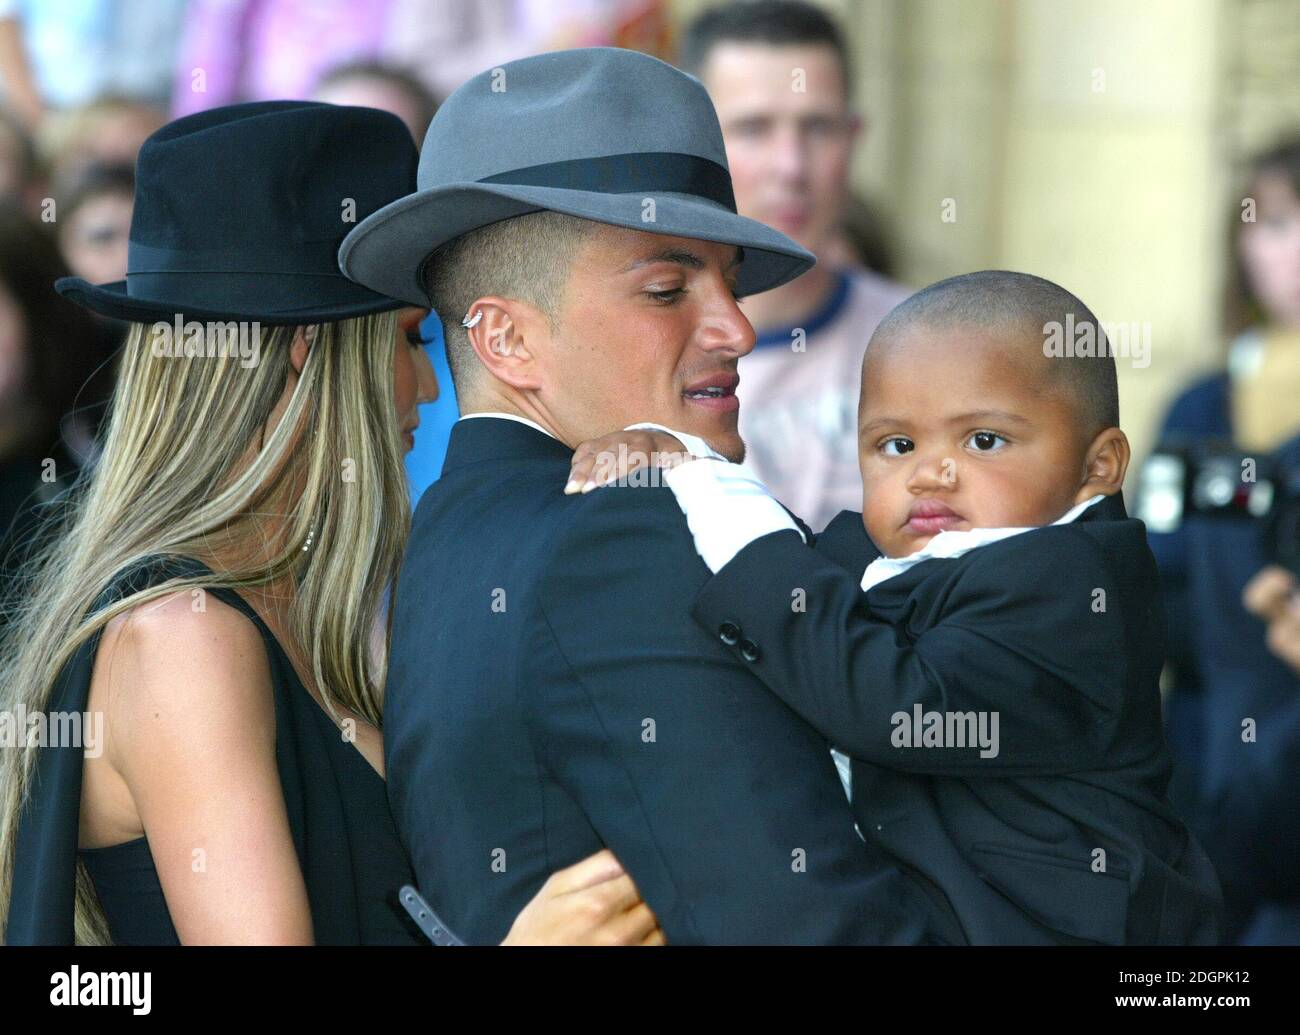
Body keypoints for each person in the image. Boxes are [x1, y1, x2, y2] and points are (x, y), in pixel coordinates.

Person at [0, 100, 660, 947]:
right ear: (315, 354)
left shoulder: (297, 615)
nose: (427, 386)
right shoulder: (185, 636)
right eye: (411, 341)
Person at [339, 46, 933, 946]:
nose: (735, 327)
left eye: (728, 279)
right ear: (505, 339)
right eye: (666, 288)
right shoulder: (620, 536)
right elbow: (819, 929)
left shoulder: (453, 535)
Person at [573, 271, 1224, 944]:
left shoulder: (1078, 590)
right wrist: (684, 461)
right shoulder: (915, 554)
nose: (929, 472)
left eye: (984, 440)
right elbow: (794, 576)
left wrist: (707, 484)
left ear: (1099, 466)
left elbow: (896, 706)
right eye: (896, 445)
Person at [678, 0, 912, 532]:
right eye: (754, 127)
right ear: (693, 145)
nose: (791, 165)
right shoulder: (621, 357)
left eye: (819, 127)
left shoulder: (930, 343)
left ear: (854, 139)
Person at [1148, 136, 1300, 945]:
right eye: (1274, 224)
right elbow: (1149, 581)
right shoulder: (1202, 406)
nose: (1296, 251)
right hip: (1205, 745)